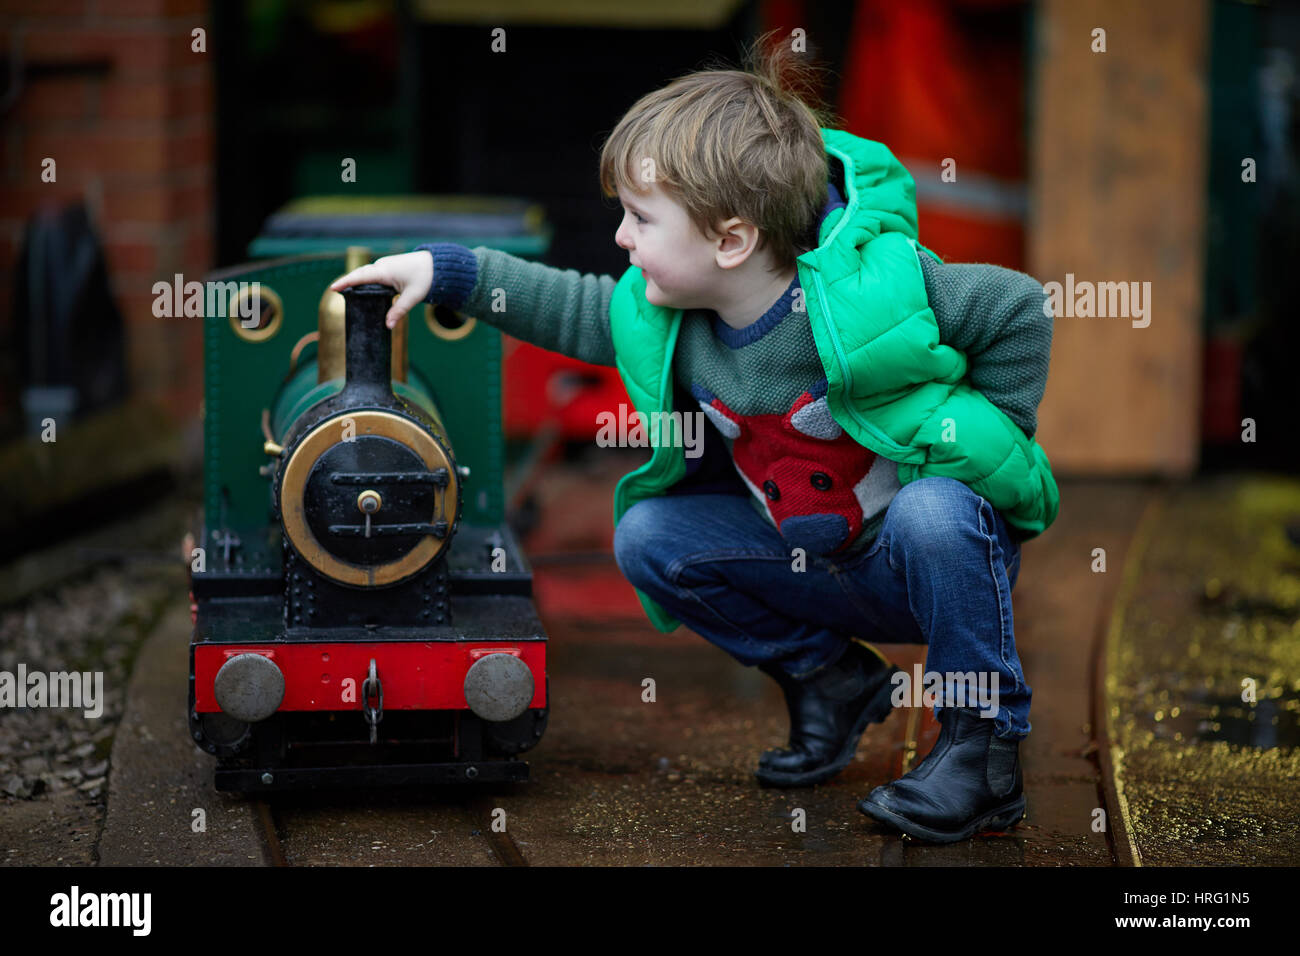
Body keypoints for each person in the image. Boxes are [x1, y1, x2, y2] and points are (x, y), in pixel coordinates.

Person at [329, 40, 1060, 844]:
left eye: (641, 219)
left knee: (933, 512)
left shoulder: (878, 294)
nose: (620, 237)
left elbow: (1019, 308)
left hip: (928, 559)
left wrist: (992, 442)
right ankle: (833, 680)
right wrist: (449, 272)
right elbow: (572, 306)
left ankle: (979, 753)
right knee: (650, 536)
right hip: (811, 562)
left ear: (732, 241)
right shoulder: (668, 311)